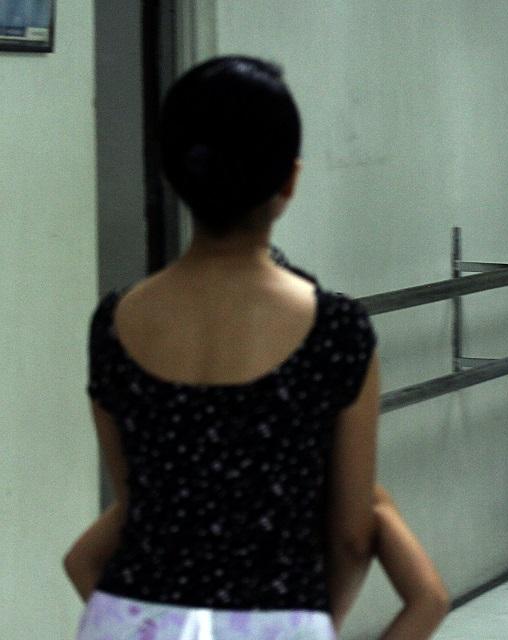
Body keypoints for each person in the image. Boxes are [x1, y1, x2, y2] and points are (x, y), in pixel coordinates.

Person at [66, 56, 380, 639]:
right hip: (279, 617)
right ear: (289, 180)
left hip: (133, 617)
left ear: (172, 174)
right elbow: (352, 537)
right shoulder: (338, 331)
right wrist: (312, 620)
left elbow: (135, 501)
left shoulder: (113, 322)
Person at [65, 483, 450, 639]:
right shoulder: (353, 494)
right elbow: (430, 599)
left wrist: (147, 626)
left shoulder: (180, 477)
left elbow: (81, 562)